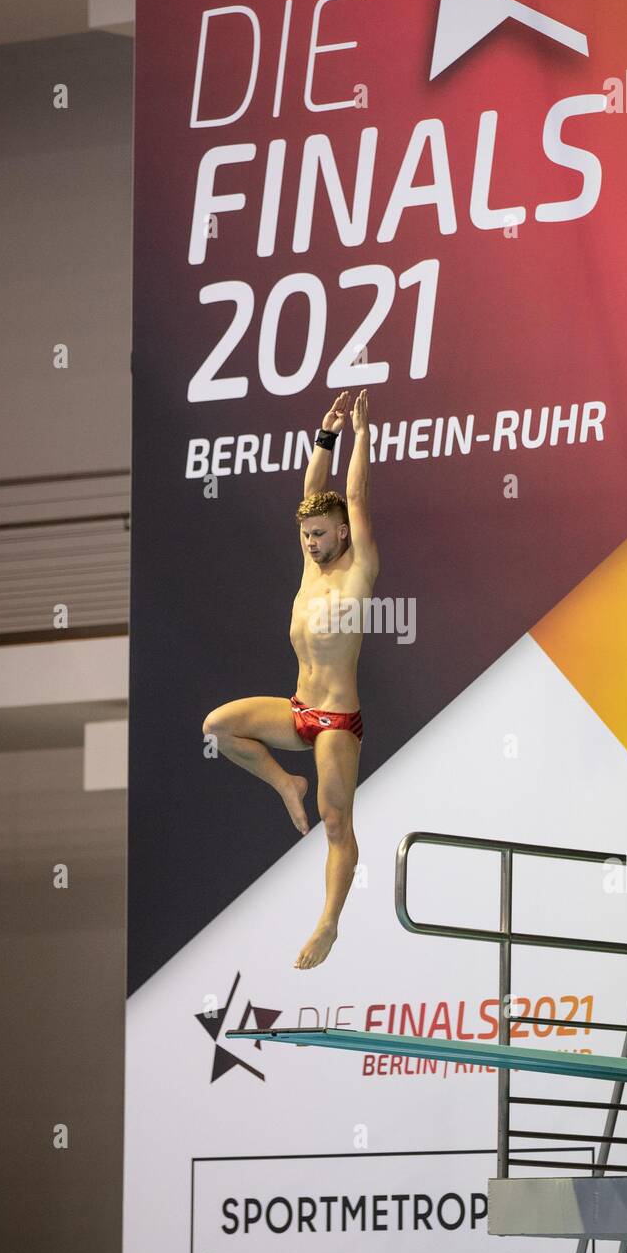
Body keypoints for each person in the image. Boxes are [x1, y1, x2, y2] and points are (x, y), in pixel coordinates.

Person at [203, 389, 378, 968]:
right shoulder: (311, 563)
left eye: (322, 534)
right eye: (306, 535)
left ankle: (328, 923)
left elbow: (351, 494)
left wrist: (359, 434)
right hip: (298, 707)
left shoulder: (359, 570)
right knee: (220, 728)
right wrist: (323, 434)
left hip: (335, 722)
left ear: (344, 534)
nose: (311, 541)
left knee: (335, 822)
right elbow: (313, 493)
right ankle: (285, 784)